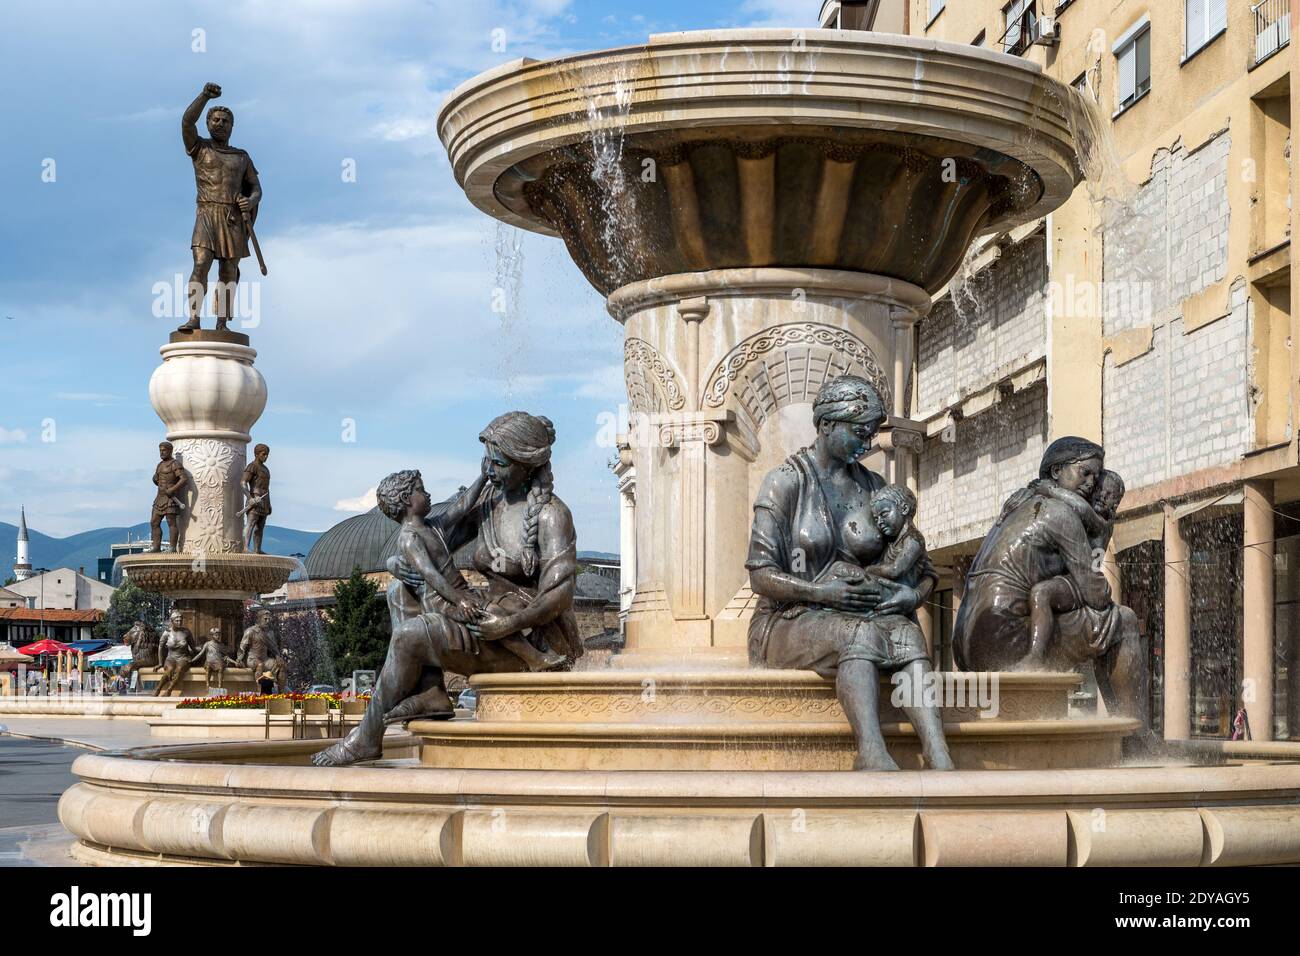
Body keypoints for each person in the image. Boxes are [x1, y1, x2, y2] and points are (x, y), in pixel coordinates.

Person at [313, 411, 582, 767]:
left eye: (499, 464)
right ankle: (432, 692)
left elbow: (559, 595)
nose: (490, 471)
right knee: (397, 591)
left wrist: (507, 625)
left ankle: (367, 737)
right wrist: (398, 566)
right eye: (487, 461)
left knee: (411, 637)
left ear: (526, 465)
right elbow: (430, 540)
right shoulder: (488, 507)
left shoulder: (551, 516)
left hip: (528, 635)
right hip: (487, 620)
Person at [746, 375, 953, 772]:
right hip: (786, 618)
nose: (867, 442)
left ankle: (938, 752)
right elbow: (761, 575)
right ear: (826, 425)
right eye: (859, 432)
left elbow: (924, 568)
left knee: (909, 632)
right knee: (855, 634)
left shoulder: (875, 487)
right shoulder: (784, 483)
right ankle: (872, 751)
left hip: (864, 612)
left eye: (872, 433)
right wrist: (822, 594)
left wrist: (911, 597)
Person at [953, 437, 1149, 739]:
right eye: (1084, 472)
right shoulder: (1061, 514)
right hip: (1006, 643)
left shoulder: (1019, 506)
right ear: (1056, 471)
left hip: (966, 645)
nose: (1091, 483)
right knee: (1122, 621)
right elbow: (1095, 595)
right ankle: (1135, 735)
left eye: (1096, 477)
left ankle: (1123, 731)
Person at [379, 467, 565, 674]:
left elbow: (461, 506)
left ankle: (533, 655)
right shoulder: (409, 538)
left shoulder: (432, 527)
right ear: (406, 498)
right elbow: (430, 574)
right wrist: (459, 600)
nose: (428, 494)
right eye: (422, 490)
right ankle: (535, 659)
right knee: (492, 613)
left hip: (462, 591)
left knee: (498, 610)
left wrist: (482, 477)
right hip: (442, 600)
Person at [180, 82, 262, 333]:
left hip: (232, 218)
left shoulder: (242, 157)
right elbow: (186, 122)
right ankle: (194, 318)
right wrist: (204, 96)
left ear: (232, 126)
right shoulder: (199, 148)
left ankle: (222, 323)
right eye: (214, 119)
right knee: (201, 263)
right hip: (206, 213)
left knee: (228, 271)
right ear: (207, 124)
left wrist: (251, 200)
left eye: (225, 120)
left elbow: (256, 188)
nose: (219, 123)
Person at [151, 442, 187, 552]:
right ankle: (156, 547)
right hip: (160, 497)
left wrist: (172, 489)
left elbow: (184, 479)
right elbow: (157, 478)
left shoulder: (174, 464)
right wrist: (156, 480)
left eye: (164, 450)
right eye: (160, 450)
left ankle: (172, 547)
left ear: (170, 451)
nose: (161, 452)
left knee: (171, 522)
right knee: (154, 522)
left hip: (171, 498)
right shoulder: (159, 465)